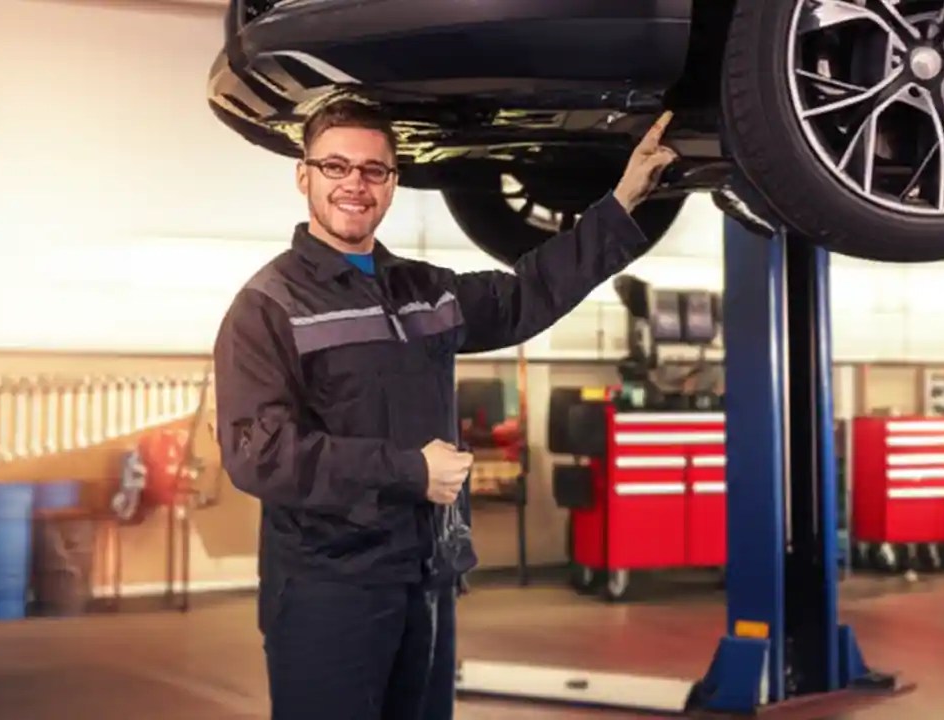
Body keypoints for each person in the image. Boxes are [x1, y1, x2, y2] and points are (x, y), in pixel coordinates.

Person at [212, 98, 678, 720]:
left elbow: (526, 295)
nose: (355, 184)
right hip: (329, 590)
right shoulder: (268, 306)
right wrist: (410, 471)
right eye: (335, 167)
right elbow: (259, 453)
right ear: (305, 176)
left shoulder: (422, 290)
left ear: (393, 182)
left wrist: (619, 203)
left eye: (373, 170)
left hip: (426, 574)